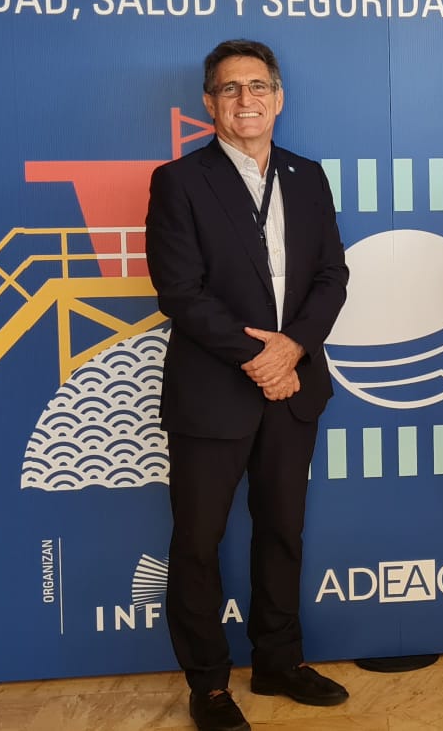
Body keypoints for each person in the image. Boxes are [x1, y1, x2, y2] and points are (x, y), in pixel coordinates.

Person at [146, 39, 351, 731]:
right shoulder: (179, 181)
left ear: (278, 96)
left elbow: (332, 277)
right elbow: (180, 290)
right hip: (214, 392)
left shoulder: (308, 176)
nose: (245, 100)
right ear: (209, 103)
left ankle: (278, 660)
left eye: (257, 86)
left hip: (295, 386)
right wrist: (257, 359)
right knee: (198, 544)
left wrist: (293, 348)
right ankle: (208, 684)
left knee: (283, 531)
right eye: (230, 89)